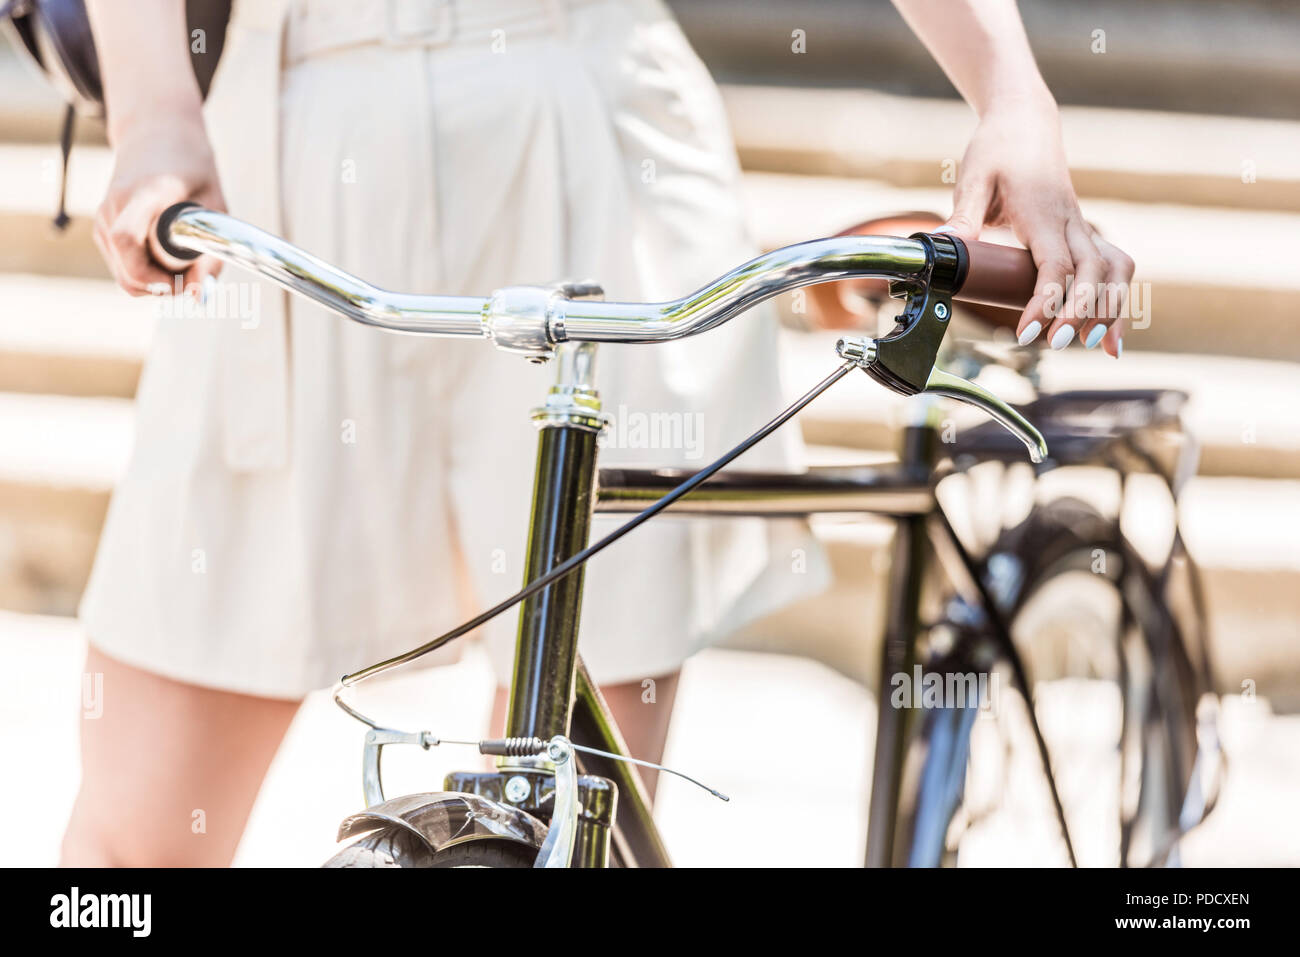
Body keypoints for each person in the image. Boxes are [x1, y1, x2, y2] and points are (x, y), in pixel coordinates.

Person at [65, 0, 1134, 866]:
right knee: (134, 848)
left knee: (569, 803)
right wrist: (155, 111)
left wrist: (1012, 97)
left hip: (588, 124)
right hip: (288, 130)